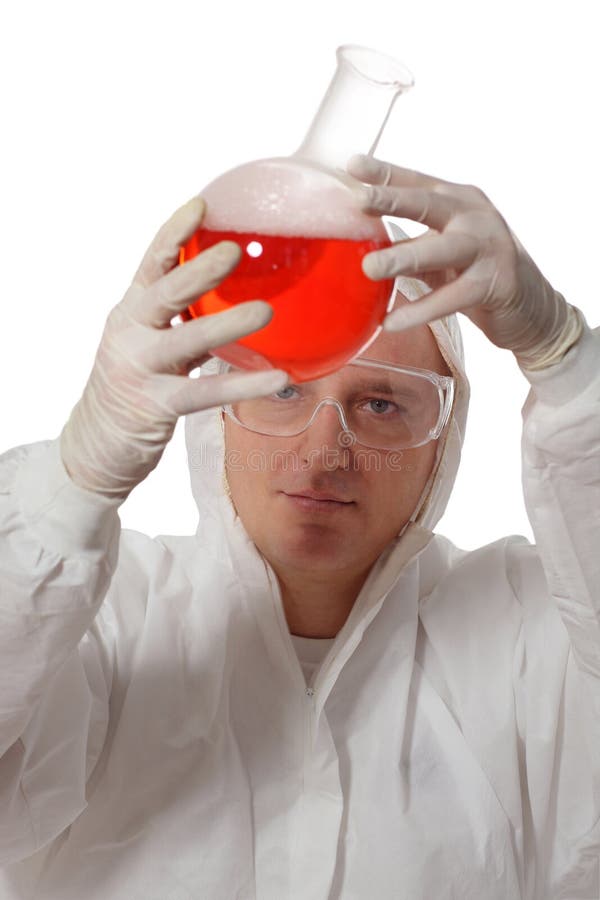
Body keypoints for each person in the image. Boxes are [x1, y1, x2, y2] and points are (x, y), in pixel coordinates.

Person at [0, 152, 597, 900]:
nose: (324, 452)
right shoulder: (108, 621)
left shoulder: (524, 634)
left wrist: (570, 366)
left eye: (381, 404)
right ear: (218, 410)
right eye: (281, 389)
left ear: (442, 444)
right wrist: (69, 489)